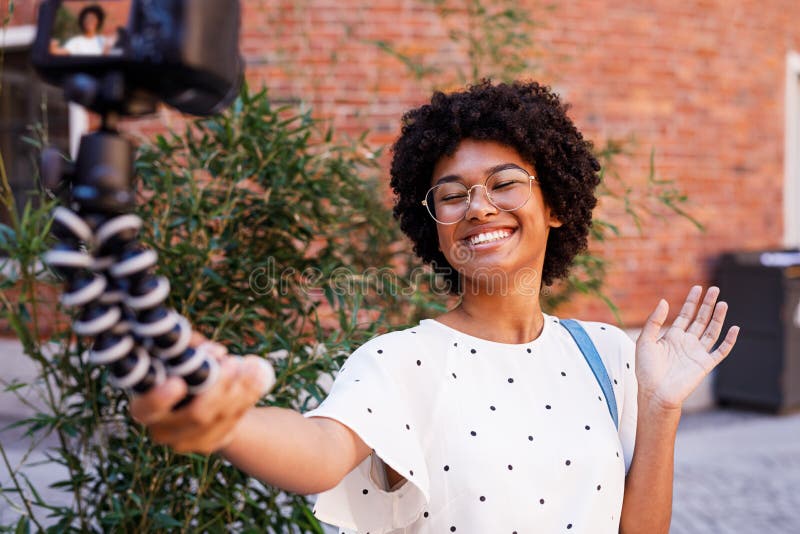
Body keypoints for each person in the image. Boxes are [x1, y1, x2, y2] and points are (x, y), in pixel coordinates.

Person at [130, 80, 739, 534]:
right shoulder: (404, 361)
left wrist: (661, 407)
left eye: (504, 184)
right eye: (451, 196)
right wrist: (226, 420)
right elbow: (318, 453)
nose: (478, 207)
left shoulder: (607, 353)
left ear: (555, 204)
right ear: (436, 228)